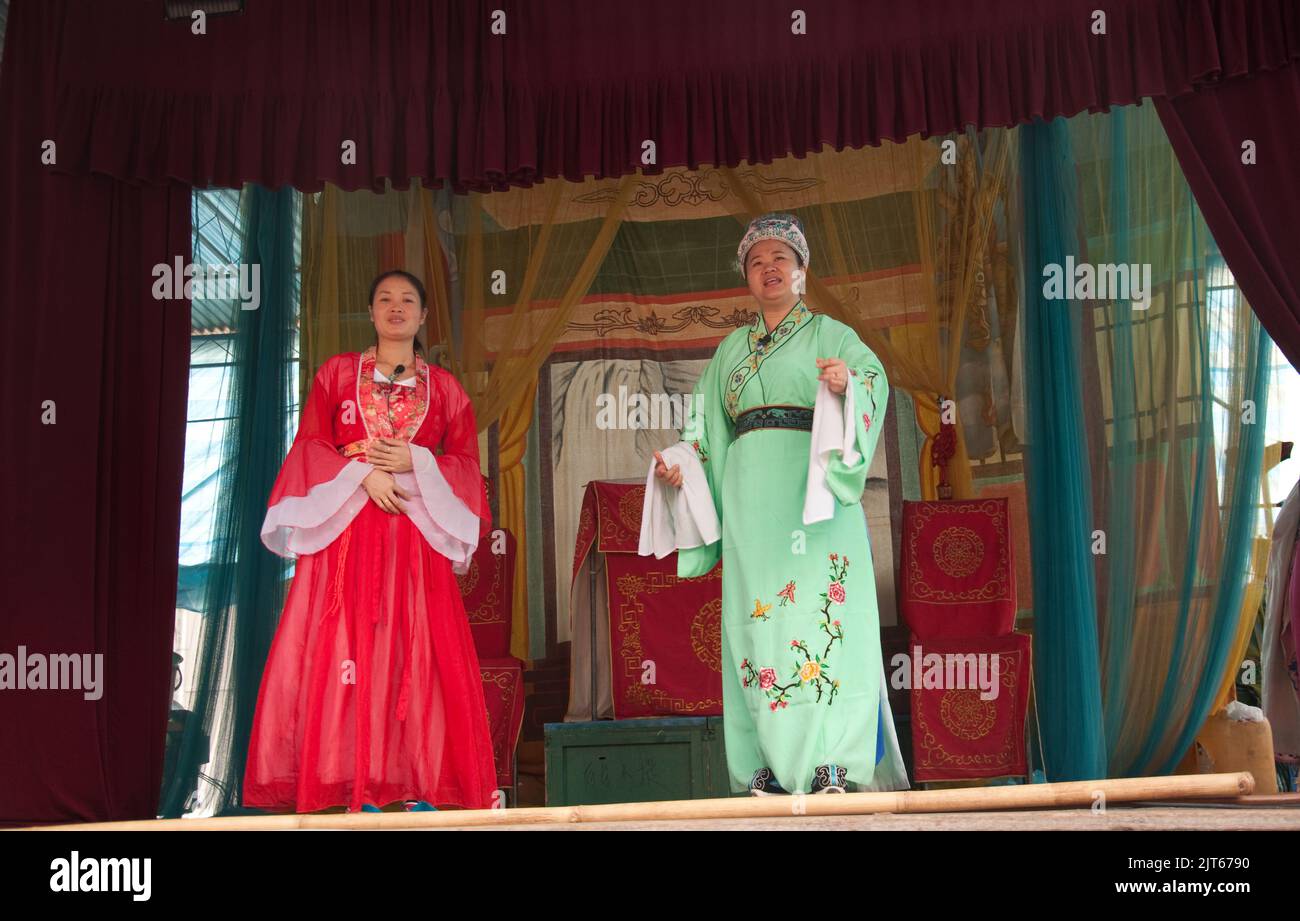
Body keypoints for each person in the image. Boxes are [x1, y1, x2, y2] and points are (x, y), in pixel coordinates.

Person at [650, 213, 908, 795]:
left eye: (781, 260)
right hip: (749, 505)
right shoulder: (729, 352)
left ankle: (833, 764)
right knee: (757, 624)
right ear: (746, 276)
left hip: (814, 497)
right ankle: (759, 767)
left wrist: (848, 384)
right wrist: (681, 466)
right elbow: (704, 431)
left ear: (802, 272)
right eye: (757, 262)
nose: (769, 270)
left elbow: (874, 378)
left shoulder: (830, 334)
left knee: (825, 615)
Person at [243, 269, 498, 813]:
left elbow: (468, 468)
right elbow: (311, 443)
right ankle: (352, 786)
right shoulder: (336, 375)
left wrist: (417, 460)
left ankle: (412, 784)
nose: (396, 307)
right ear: (371, 312)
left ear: (424, 316)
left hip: (413, 534)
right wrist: (364, 475)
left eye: (408, 299)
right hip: (350, 533)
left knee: (415, 647)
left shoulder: (446, 389)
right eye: (385, 298)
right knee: (347, 649)